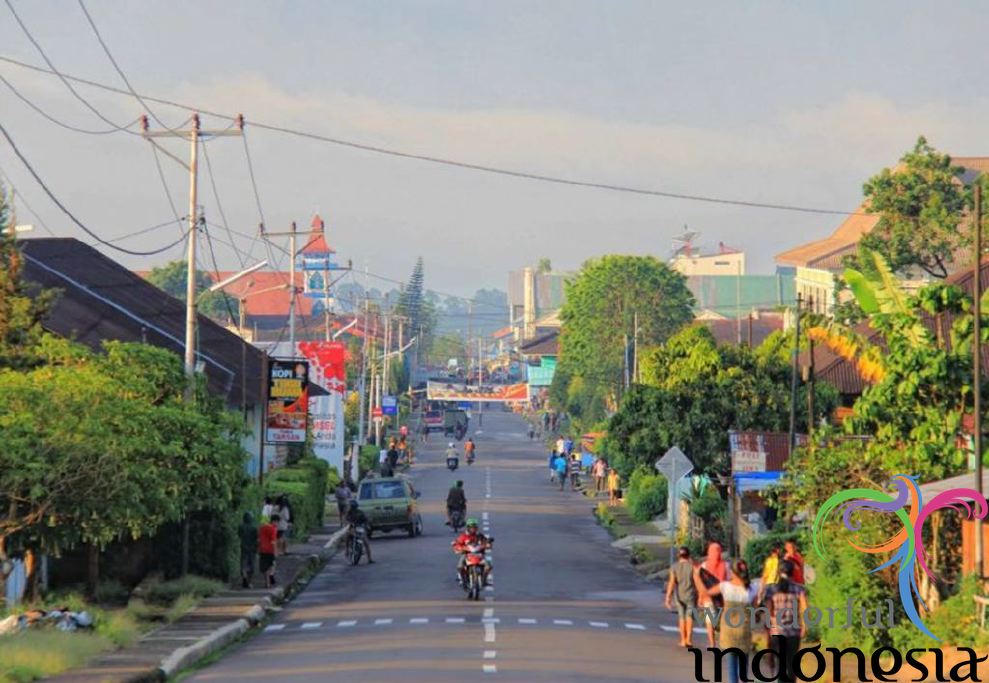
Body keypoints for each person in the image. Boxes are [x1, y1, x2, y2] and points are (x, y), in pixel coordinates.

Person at [697, 559, 756, 683]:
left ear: (733, 572)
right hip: (744, 631)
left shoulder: (725, 586)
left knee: (731, 669)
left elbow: (706, 593)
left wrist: (697, 578)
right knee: (743, 670)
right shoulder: (751, 589)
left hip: (728, 632)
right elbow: (754, 611)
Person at [763, 560, 808, 683]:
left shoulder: (771, 589)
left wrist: (769, 628)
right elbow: (804, 609)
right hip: (794, 632)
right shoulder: (799, 589)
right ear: (792, 572)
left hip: (778, 632)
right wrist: (804, 626)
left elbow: (768, 612)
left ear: (779, 571)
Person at [693, 541, 729, 648]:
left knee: (709, 621)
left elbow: (701, 583)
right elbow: (730, 580)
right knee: (723, 620)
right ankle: (723, 641)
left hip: (707, 596)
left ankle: (712, 643)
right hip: (722, 597)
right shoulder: (726, 565)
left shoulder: (704, 566)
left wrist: (700, 596)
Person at [665, 546, 698, 648]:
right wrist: (701, 594)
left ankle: (683, 640)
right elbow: (697, 582)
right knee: (690, 617)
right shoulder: (692, 567)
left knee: (681, 617)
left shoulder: (674, 567)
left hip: (679, 595)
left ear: (678, 555)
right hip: (691, 595)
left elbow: (672, 583)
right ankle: (689, 639)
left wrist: (668, 597)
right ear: (689, 555)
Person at [452, 518, 492, 586]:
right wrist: (458, 547)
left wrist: (488, 544)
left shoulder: (480, 536)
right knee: (460, 566)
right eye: (472, 527)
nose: (473, 529)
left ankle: (484, 580)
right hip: (467, 554)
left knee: (488, 566)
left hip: (479, 554)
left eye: (475, 527)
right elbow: (457, 543)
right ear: (468, 527)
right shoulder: (463, 536)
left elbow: (486, 542)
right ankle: (463, 580)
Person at [238, 512, 258, 589]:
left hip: (244, 547)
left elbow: (239, 535)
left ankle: (244, 577)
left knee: (243, 564)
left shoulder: (241, 526)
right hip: (252, 548)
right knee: (252, 565)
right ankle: (249, 581)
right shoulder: (254, 527)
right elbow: (256, 538)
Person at [258, 513, 278, 588]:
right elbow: (273, 542)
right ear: (274, 521)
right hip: (270, 550)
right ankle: (271, 575)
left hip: (262, 550)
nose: (277, 524)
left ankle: (267, 583)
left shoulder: (262, 528)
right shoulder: (273, 529)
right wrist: (275, 551)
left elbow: (259, 539)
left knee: (265, 567)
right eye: (277, 522)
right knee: (272, 564)